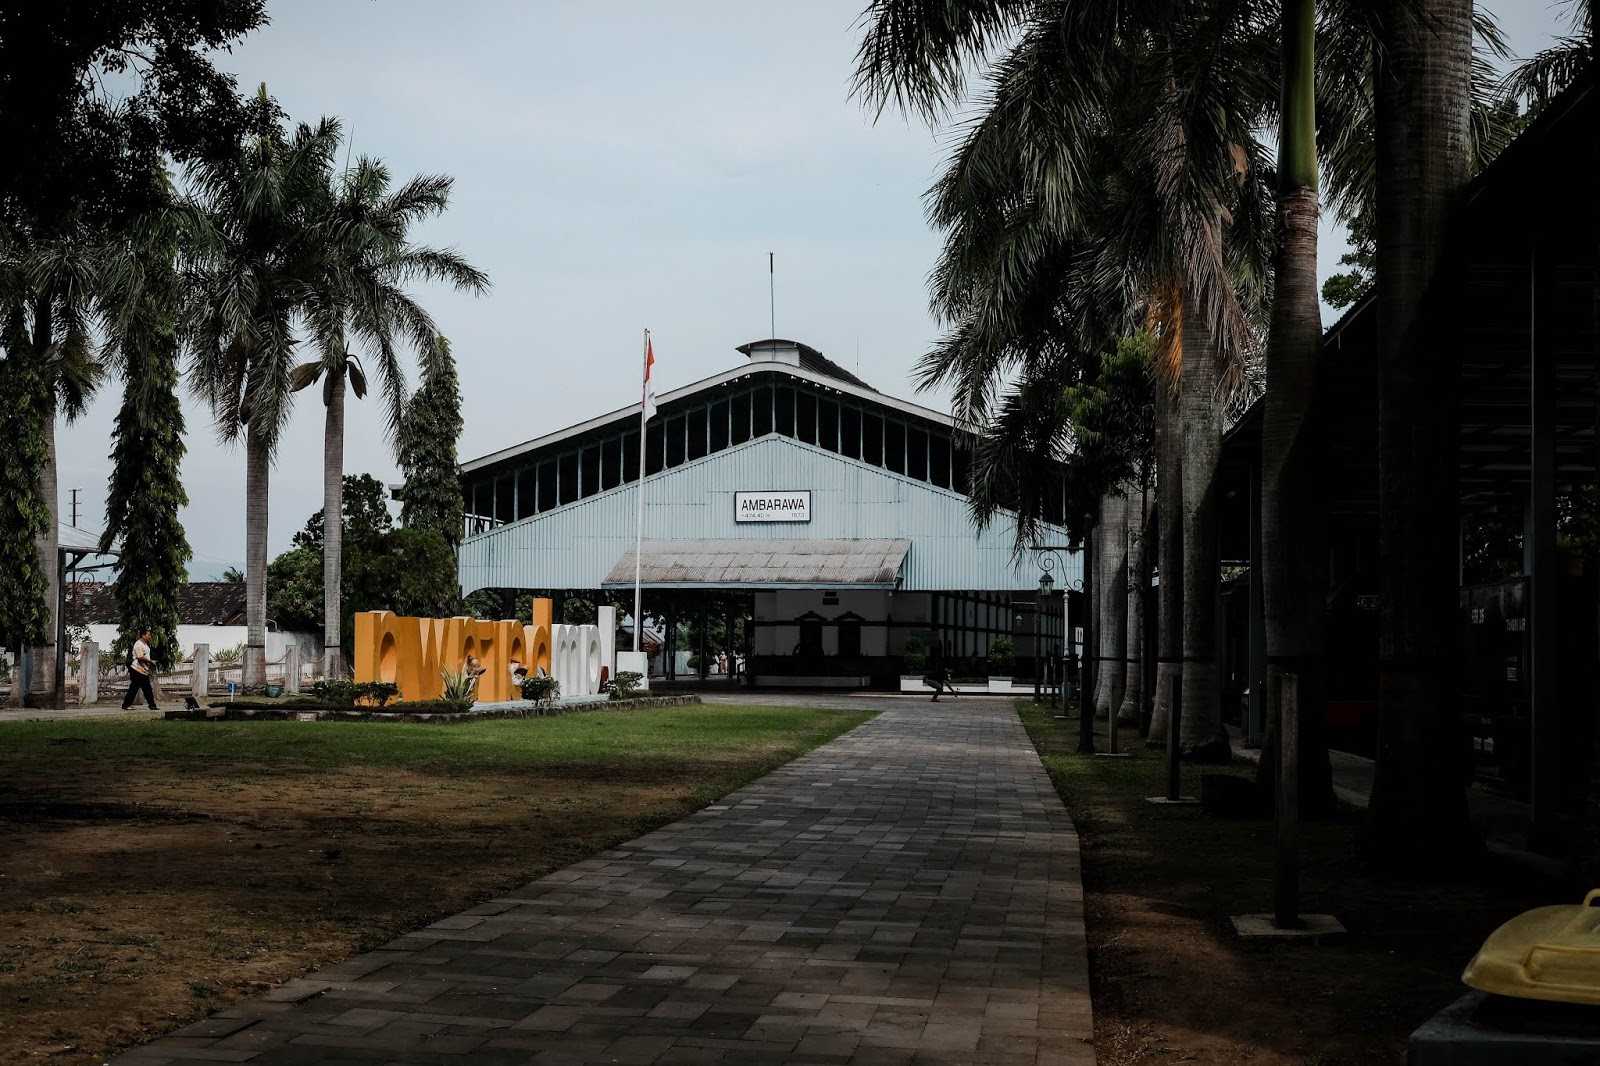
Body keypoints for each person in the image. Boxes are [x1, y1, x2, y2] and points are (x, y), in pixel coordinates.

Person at [121, 627, 158, 711]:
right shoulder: (139, 644)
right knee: (140, 688)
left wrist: (150, 661)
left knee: (139, 688)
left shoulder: (145, 645)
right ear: (143, 635)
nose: (150, 637)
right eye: (148, 635)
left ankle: (127, 704)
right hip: (137, 670)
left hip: (143, 670)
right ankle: (151, 705)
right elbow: (140, 656)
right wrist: (150, 661)